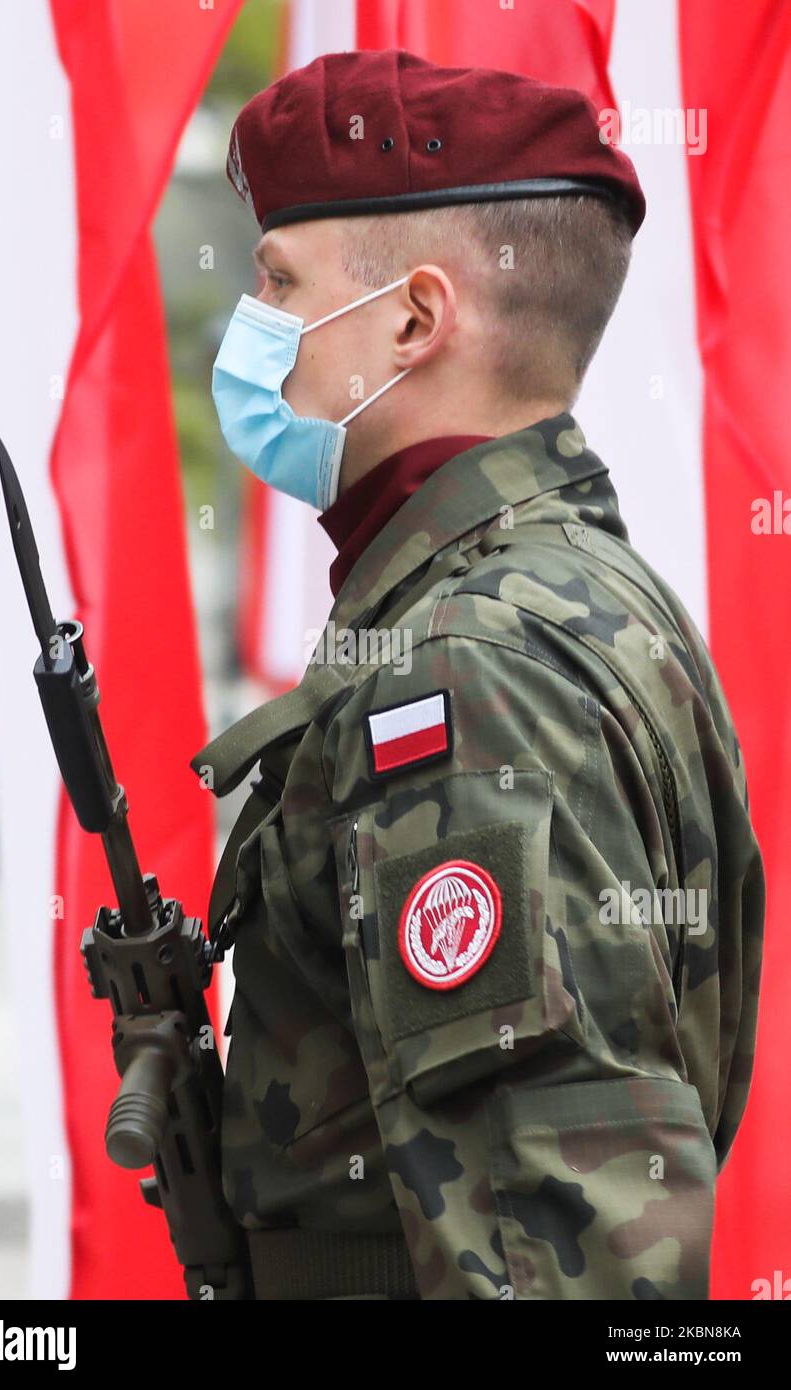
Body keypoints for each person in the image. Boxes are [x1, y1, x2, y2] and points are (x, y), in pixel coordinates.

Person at [192, 48, 765, 1300]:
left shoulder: (466, 665)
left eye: (279, 284)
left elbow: (556, 1256)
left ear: (413, 319)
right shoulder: (568, 589)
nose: (248, 330)